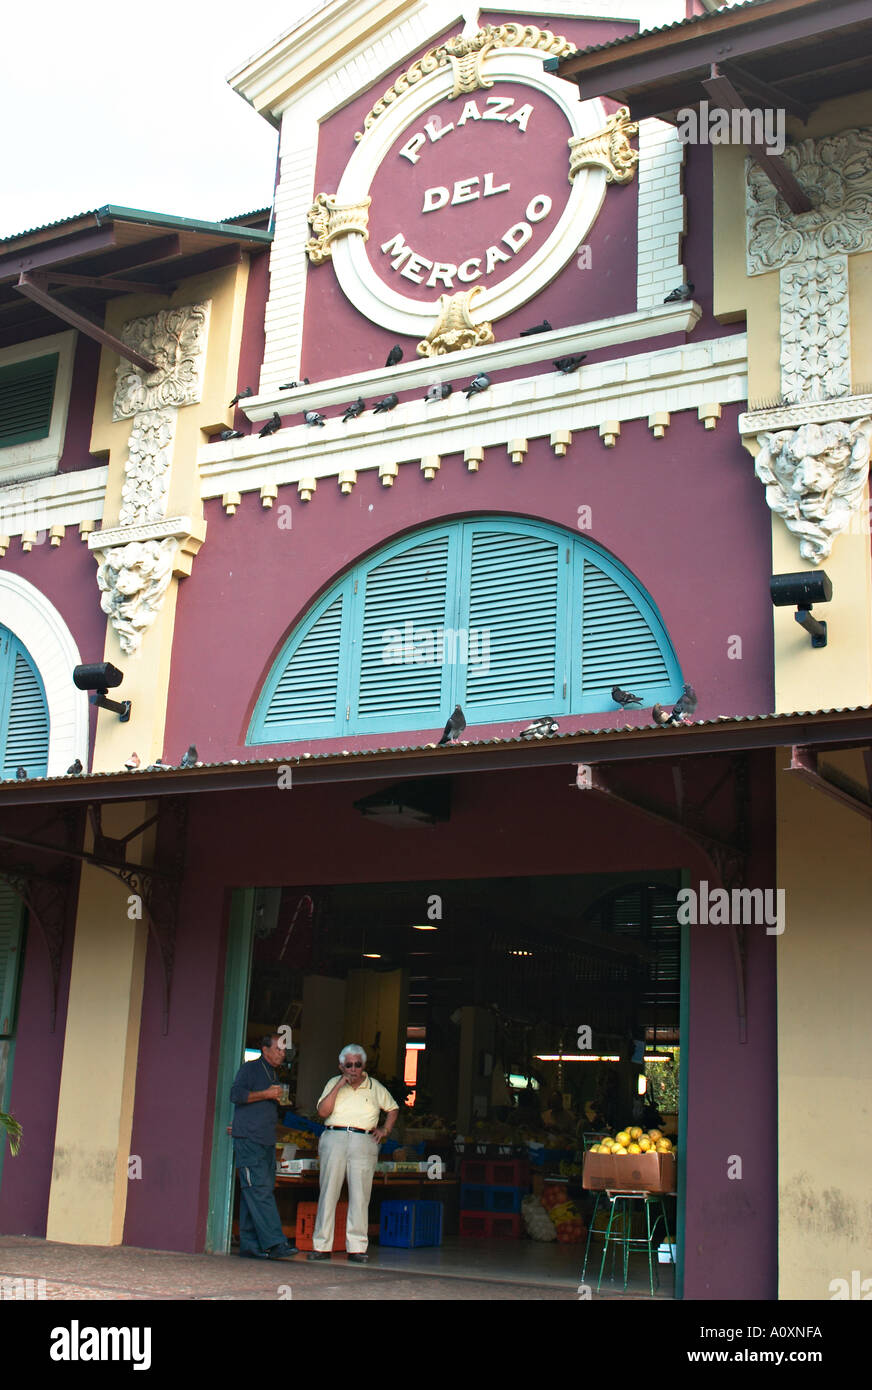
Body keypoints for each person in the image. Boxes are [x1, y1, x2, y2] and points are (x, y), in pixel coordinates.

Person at [307, 1044, 399, 1264]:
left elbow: (393, 1109)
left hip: (363, 1140)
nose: (353, 1069)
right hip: (334, 1136)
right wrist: (340, 1084)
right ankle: (321, 1246)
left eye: (357, 1064)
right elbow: (322, 1112)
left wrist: (385, 1130)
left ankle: (357, 1247)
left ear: (363, 1065)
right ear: (341, 1066)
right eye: (349, 1065)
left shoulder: (374, 1086)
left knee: (360, 1195)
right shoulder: (332, 1082)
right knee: (329, 1190)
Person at [230, 1033, 298, 1260]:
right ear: (265, 1049)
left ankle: (250, 1244)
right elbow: (236, 1094)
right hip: (249, 1140)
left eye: (284, 1050)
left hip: (266, 1141)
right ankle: (276, 1243)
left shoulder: (274, 1073)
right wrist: (266, 1094)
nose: (282, 1053)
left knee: (258, 1189)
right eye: (278, 1048)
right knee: (259, 1190)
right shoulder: (250, 1069)